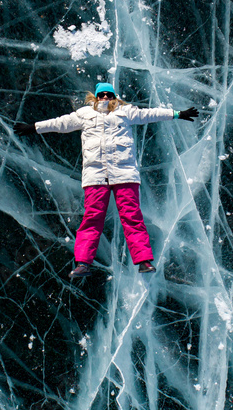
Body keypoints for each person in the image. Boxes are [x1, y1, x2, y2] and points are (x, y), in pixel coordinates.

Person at [14, 83, 198, 278]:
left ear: (114, 96)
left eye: (108, 94)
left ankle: (144, 261)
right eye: (101, 95)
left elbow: (151, 114)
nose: (104, 98)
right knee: (92, 219)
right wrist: (34, 127)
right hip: (96, 177)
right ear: (95, 97)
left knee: (132, 217)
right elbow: (60, 124)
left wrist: (178, 114)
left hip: (124, 175)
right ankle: (83, 263)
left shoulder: (125, 111)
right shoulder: (84, 114)